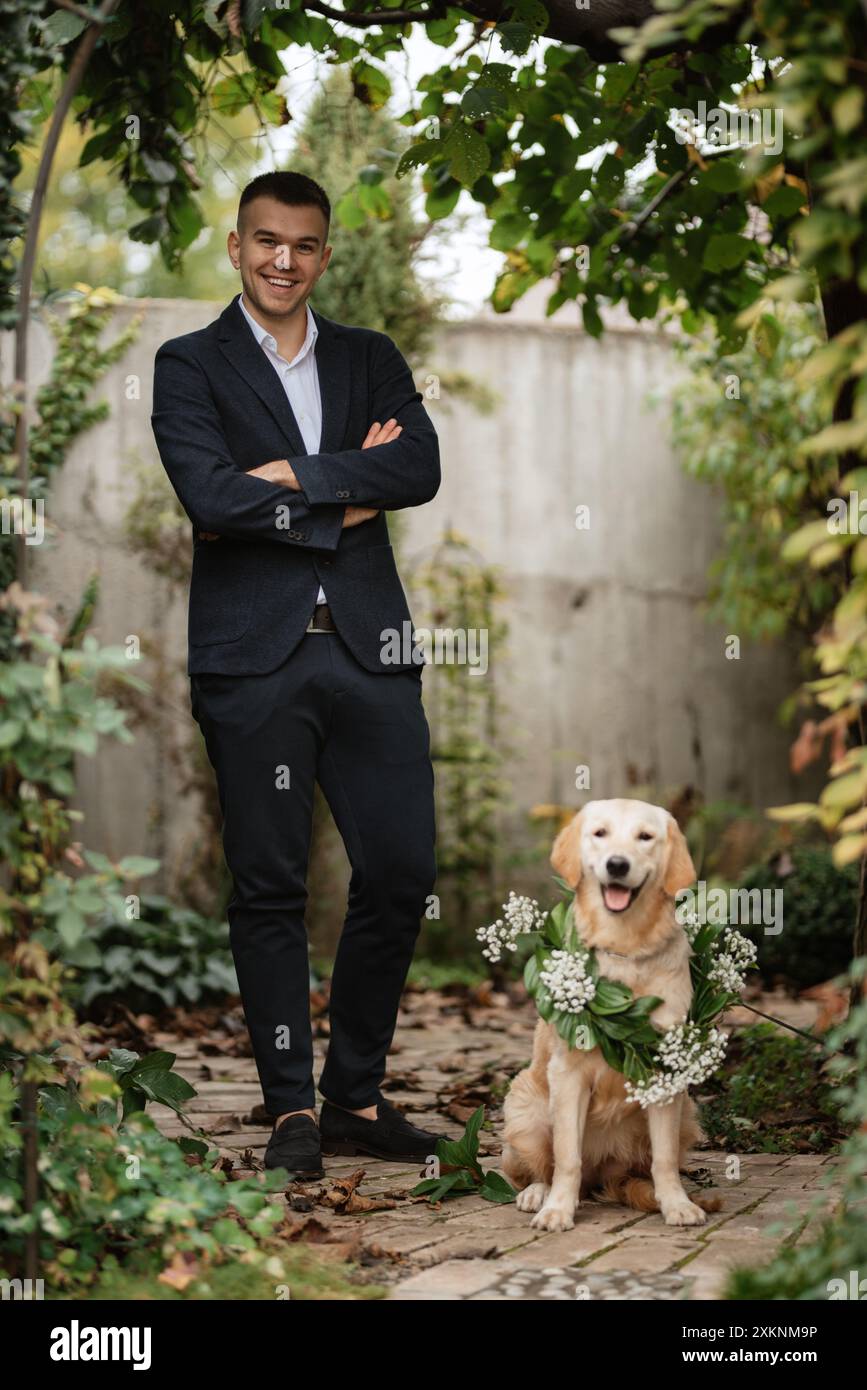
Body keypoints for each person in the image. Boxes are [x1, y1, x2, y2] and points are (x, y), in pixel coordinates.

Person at [150, 170, 451, 1179]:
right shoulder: (187, 365)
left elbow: (419, 468)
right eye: (266, 241)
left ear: (326, 254)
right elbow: (209, 497)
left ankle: (356, 1091)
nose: (285, 260)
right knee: (270, 887)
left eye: (305, 244)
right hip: (251, 658)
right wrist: (344, 495)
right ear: (236, 247)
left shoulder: (370, 359)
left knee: (402, 870)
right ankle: (292, 1109)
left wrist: (288, 480)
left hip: (371, 649)